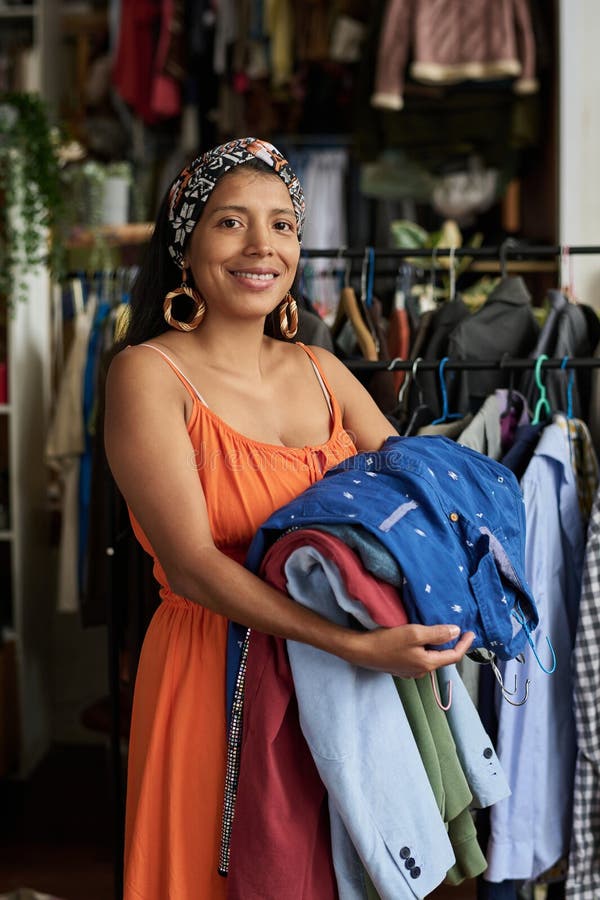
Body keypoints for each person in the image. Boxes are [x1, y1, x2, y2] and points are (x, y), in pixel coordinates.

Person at [104, 137, 474, 899]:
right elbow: (192, 566)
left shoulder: (323, 368)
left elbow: (411, 502)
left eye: (282, 225)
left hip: (342, 682)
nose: (261, 247)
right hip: (216, 670)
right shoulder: (148, 375)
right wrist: (354, 643)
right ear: (185, 245)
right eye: (230, 222)